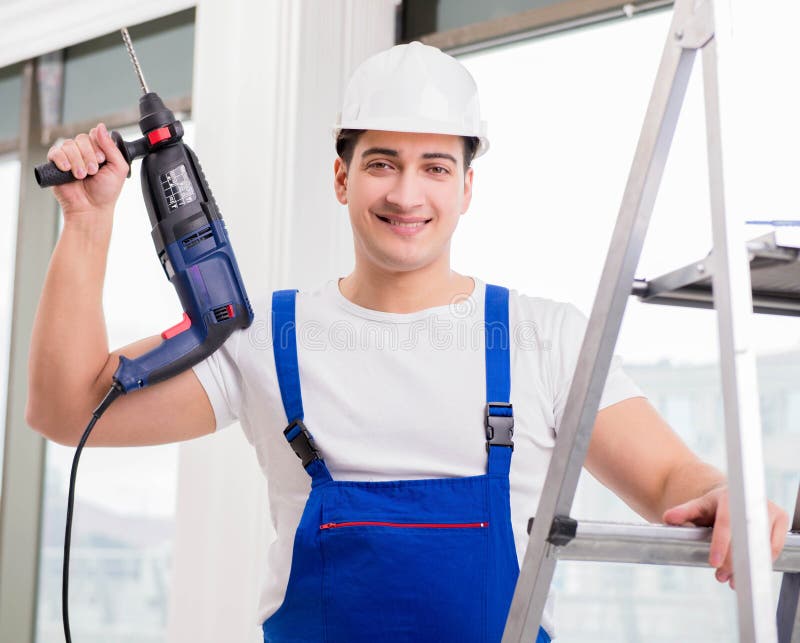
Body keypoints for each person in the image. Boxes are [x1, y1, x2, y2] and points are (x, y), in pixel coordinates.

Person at [27, 41, 788, 642]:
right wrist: (87, 224)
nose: (405, 193)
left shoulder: (542, 336)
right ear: (341, 178)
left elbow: (670, 481)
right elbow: (67, 409)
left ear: (466, 188)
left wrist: (724, 494)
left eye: (434, 167)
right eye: (382, 163)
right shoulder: (264, 341)